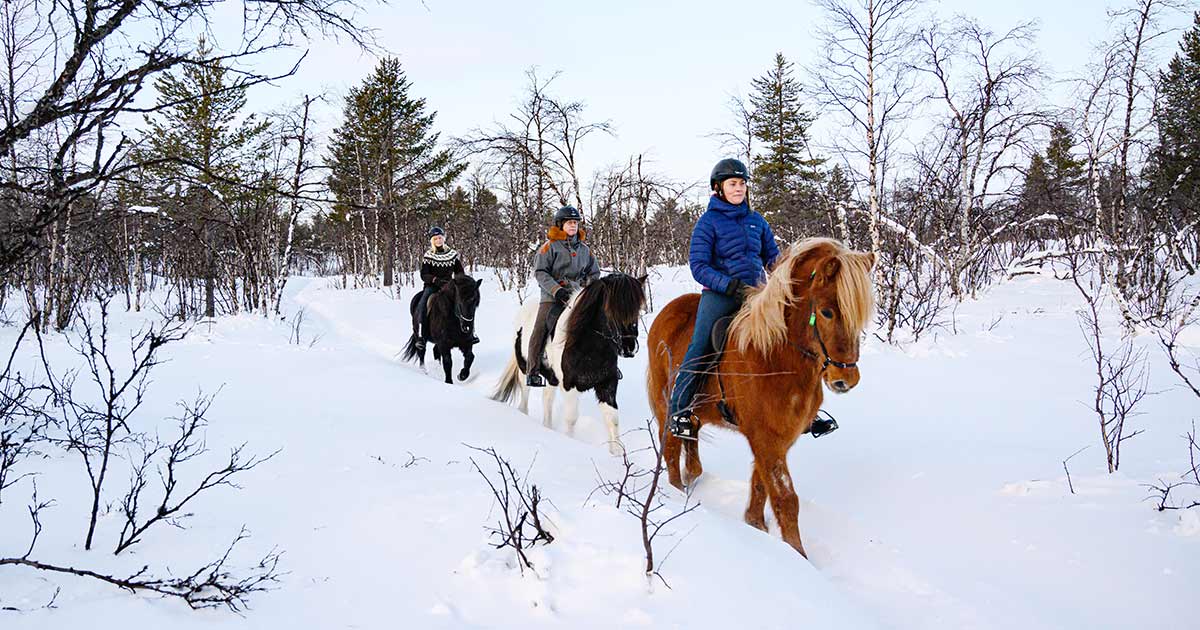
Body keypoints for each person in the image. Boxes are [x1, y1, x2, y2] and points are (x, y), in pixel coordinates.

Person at [667, 158, 779, 440]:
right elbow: (698, 265)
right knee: (701, 344)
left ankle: (801, 407)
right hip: (721, 295)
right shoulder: (708, 222)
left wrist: (787, 277)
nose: (739, 188)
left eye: (742, 183)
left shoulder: (757, 221)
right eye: (733, 184)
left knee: (787, 335)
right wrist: (727, 285)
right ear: (719, 188)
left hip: (757, 294)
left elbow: (773, 258)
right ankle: (677, 410)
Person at [527, 205, 600, 387]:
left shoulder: (585, 250)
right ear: (560, 225)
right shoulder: (549, 247)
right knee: (540, 328)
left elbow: (595, 273)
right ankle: (533, 370)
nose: (573, 226)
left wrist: (585, 287)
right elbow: (541, 272)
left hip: (577, 295)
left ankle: (602, 363)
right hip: (552, 296)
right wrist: (556, 290)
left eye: (575, 222)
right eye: (569, 223)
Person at [414, 226, 467, 352]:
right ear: (432, 240)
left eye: (440, 237)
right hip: (432, 287)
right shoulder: (429, 255)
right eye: (436, 238)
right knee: (423, 304)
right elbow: (424, 274)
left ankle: (470, 332)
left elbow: (459, 271)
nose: (438, 240)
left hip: (449, 287)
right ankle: (421, 335)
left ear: (444, 238)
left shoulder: (452, 254)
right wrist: (435, 280)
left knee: (465, 304)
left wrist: (459, 281)